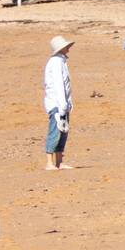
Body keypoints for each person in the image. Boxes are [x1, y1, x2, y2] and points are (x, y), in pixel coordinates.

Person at [43, 35, 74, 171]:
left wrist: (68, 102)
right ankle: (49, 162)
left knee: (63, 132)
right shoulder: (56, 62)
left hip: (63, 103)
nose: (68, 48)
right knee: (55, 132)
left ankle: (59, 162)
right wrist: (62, 105)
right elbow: (58, 85)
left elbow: (66, 86)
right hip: (56, 103)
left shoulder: (61, 61)